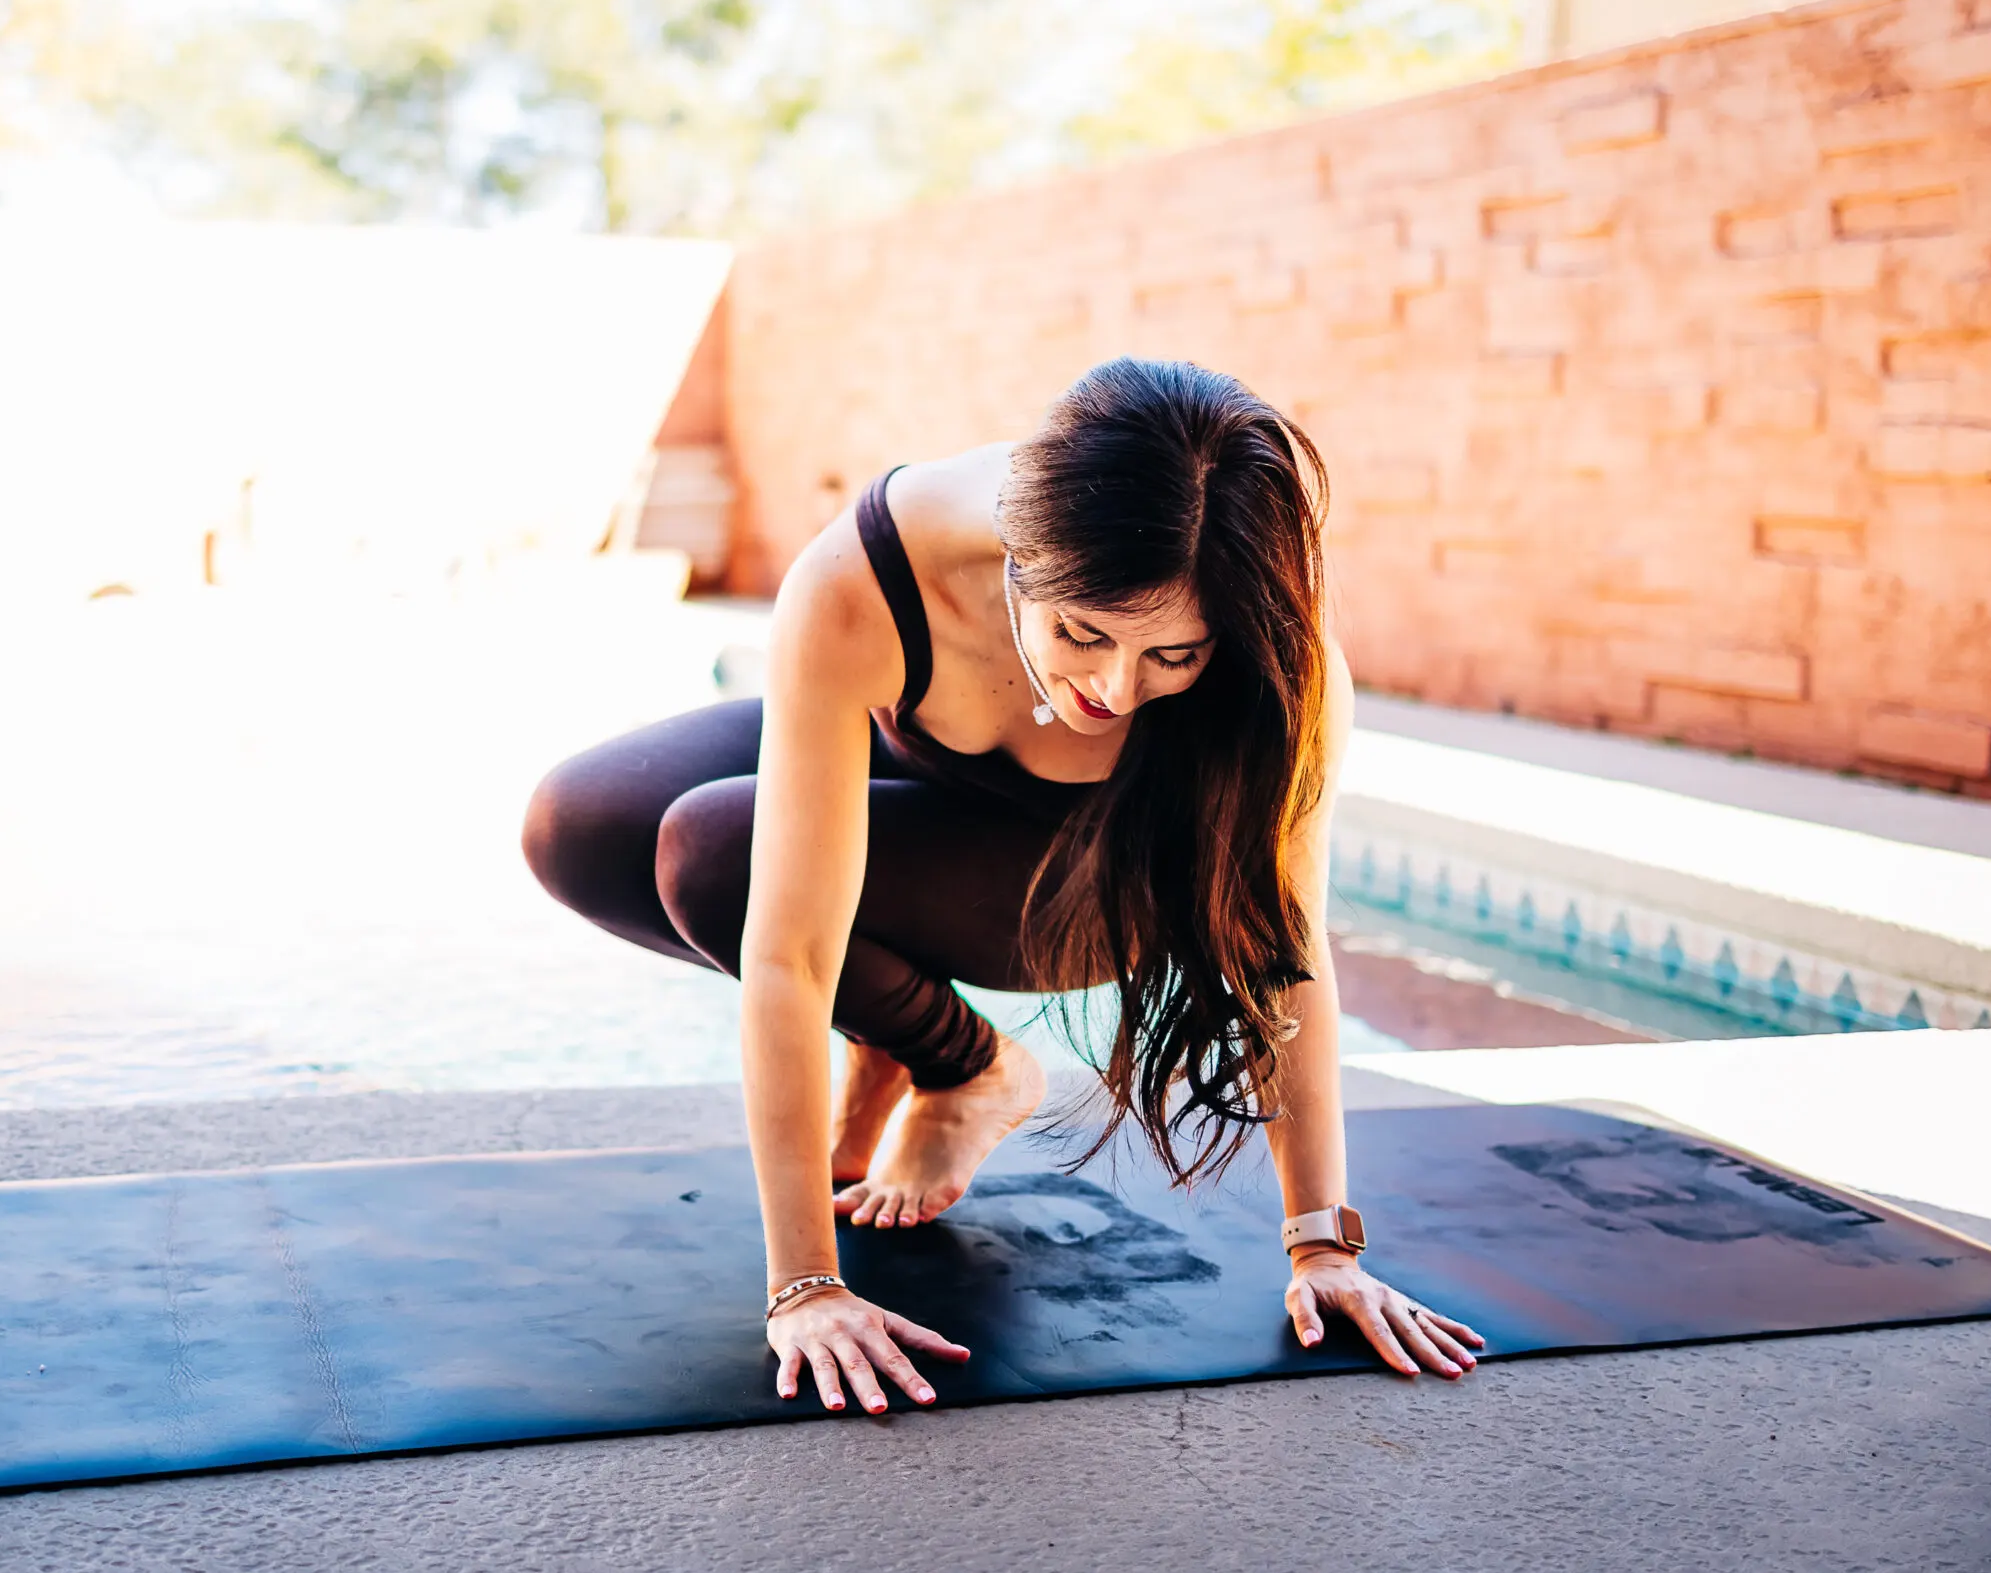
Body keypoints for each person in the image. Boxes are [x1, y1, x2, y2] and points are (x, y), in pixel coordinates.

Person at [524, 356, 1483, 1415]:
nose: (1115, 690)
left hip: (1078, 886)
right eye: (1081, 633)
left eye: (1173, 655)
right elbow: (789, 953)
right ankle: (954, 1059)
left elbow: (1281, 947)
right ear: (1019, 556)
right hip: (920, 781)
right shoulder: (870, 574)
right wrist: (804, 1285)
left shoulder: (1280, 666)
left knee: (716, 848)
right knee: (587, 826)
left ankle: (936, 1061)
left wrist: (1322, 1246)